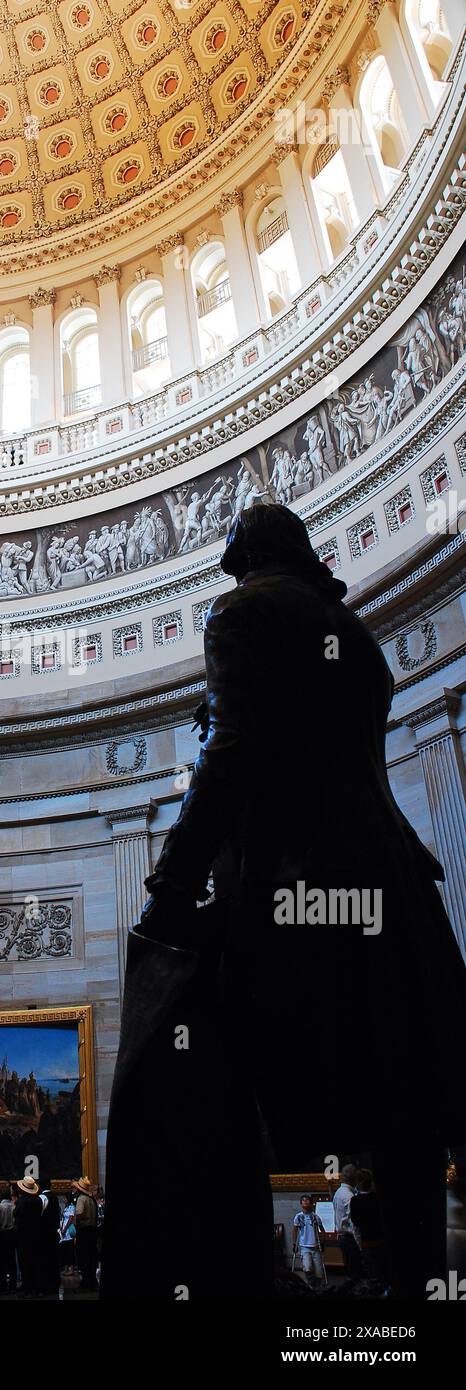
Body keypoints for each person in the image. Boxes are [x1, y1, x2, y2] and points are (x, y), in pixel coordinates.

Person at [135, 502, 466, 1299]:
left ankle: (231, 1282)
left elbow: (233, 750)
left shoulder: (244, 612)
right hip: (391, 874)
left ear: (246, 555)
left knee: (220, 1074)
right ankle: (421, 1291)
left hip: (296, 879)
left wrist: (173, 881)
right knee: (405, 1106)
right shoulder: (351, 633)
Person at [349, 1169, 388, 1289]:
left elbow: (355, 1224)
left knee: (372, 1275)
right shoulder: (378, 1198)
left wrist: (359, 1244)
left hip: (367, 1242)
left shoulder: (355, 1201)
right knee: (384, 1273)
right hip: (382, 1240)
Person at [332, 1164, 362, 1281]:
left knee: (350, 1271)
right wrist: (360, 1245)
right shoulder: (349, 1196)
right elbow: (353, 1223)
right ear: (353, 1178)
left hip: (343, 1238)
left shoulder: (339, 1192)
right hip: (351, 1239)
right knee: (355, 1274)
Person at [14, 1177, 41, 1297]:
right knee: (35, 1262)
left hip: (23, 1235)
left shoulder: (22, 1201)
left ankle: (27, 1289)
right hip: (36, 1234)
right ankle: (36, 1289)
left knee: (25, 1263)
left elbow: (16, 1213)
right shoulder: (38, 1200)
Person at [292, 1194, 325, 1287]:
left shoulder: (315, 1216)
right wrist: (294, 1244)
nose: (305, 1201)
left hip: (315, 1246)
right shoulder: (298, 1217)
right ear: (300, 1203)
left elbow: (322, 1230)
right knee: (307, 1267)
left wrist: (322, 1242)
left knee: (319, 1271)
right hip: (304, 1246)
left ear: (311, 1203)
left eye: (307, 1200)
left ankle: (317, 1286)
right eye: (303, 1200)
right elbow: (294, 1230)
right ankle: (310, 1284)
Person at [72, 1176, 98, 1292]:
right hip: (92, 1230)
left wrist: (75, 1219)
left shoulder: (81, 1199)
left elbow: (80, 1212)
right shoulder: (91, 1199)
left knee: (84, 1258)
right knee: (91, 1257)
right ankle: (92, 1282)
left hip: (84, 1231)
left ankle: (86, 1283)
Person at [0, 1186, 17, 1294]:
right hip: (11, 1235)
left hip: (2, 1235)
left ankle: (3, 1284)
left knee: (1, 1261)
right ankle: (13, 1284)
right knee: (11, 1261)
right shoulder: (14, 1206)